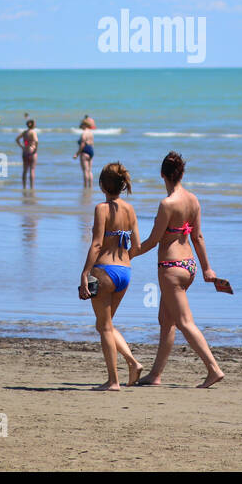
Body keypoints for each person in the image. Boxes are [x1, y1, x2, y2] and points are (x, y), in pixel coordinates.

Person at [133, 151, 225, 389]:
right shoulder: (193, 200)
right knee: (166, 320)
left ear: (162, 174)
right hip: (189, 266)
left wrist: (128, 254)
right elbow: (198, 237)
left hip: (170, 268)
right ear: (182, 173)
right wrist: (207, 269)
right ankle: (155, 375)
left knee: (184, 322)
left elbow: (153, 241)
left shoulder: (167, 204)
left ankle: (213, 369)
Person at [77, 162, 144, 390]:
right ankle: (133, 363)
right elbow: (136, 245)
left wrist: (85, 273)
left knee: (104, 327)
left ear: (102, 185)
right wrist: (124, 262)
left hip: (104, 271)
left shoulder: (101, 209)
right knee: (105, 324)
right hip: (125, 272)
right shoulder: (130, 209)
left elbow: (96, 244)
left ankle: (113, 380)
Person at [15, 119, 39, 188]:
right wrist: (35, 149)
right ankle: (32, 187)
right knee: (32, 169)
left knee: (25, 170)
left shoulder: (25, 132)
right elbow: (36, 141)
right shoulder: (33, 132)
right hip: (31, 151)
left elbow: (17, 139)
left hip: (25, 151)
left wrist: (22, 147)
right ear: (32, 124)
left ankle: (24, 186)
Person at [73, 119, 95, 187]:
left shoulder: (84, 133)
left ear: (84, 125)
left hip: (85, 151)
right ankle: (90, 186)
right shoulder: (91, 133)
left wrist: (77, 154)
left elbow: (82, 145)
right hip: (91, 150)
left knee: (85, 170)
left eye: (81, 125)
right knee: (90, 170)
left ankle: (85, 186)